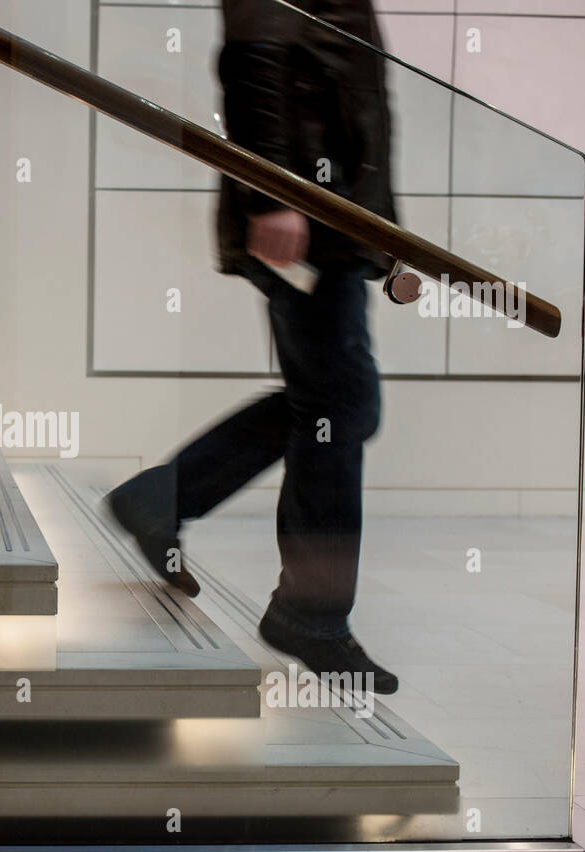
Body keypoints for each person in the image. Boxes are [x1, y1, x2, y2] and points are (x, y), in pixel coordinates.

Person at [105, 0, 400, 693]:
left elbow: (363, 107)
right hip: (307, 214)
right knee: (339, 404)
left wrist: (384, 236)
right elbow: (253, 61)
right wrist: (272, 193)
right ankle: (311, 614)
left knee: (332, 405)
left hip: (336, 220)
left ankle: (162, 499)